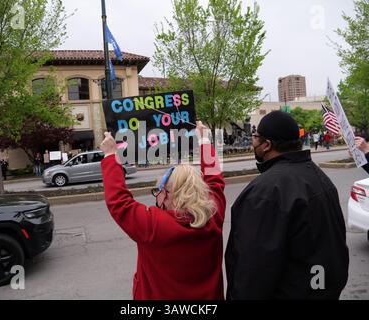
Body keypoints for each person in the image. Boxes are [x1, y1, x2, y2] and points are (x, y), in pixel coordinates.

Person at [225, 111, 349, 300]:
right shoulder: (319, 177)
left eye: (256, 137)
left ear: (267, 145)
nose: (253, 142)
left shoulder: (264, 192)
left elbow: (253, 270)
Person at [100, 121, 226, 300]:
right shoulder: (213, 214)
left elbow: (119, 202)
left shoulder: (154, 225)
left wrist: (111, 154)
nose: (156, 194)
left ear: (167, 194)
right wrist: (204, 140)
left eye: (158, 190)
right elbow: (215, 181)